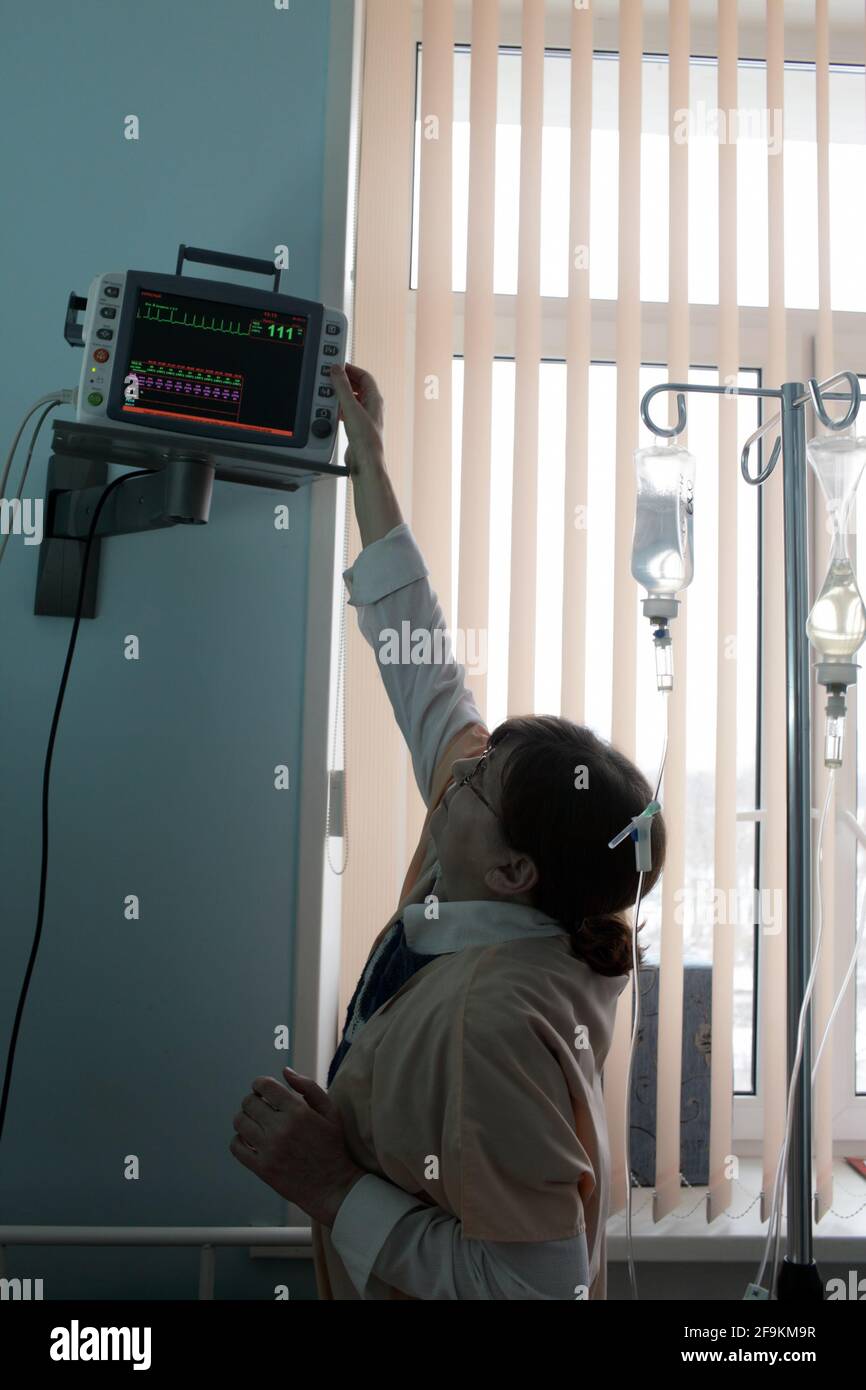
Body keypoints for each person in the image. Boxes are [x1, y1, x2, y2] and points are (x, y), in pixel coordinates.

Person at [230, 361, 666, 1300]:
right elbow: (421, 663)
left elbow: (535, 1287)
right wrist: (369, 456)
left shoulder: (497, 1024)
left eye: (475, 781)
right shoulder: (494, 873)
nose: (453, 773)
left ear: (514, 869)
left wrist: (329, 1182)